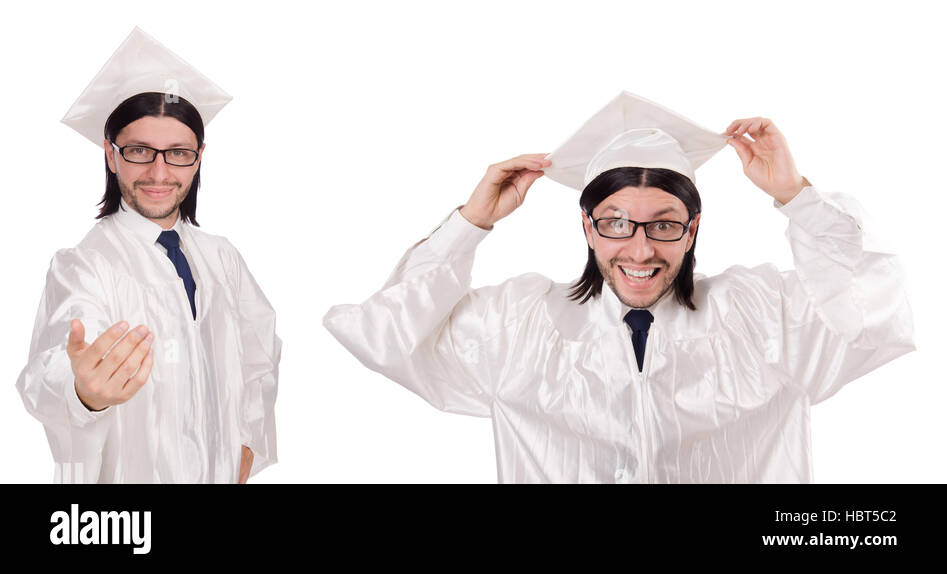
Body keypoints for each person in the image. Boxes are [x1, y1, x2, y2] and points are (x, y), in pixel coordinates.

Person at [324, 93, 913, 484]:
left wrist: (796, 195)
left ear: (693, 229)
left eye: (664, 224)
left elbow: (872, 311)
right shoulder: (522, 323)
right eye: (614, 223)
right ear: (587, 226)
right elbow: (385, 335)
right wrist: (470, 223)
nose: (639, 249)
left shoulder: (759, 315)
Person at [17, 28, 281, 484]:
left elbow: (260, 357)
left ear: (198, 157)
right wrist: (82, 391)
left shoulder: (222, 258)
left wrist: (248, 444)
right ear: (111, 154)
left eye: (177, 153)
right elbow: (47, 370)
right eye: (139, 150)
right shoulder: (85, 265)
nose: (158, 172)